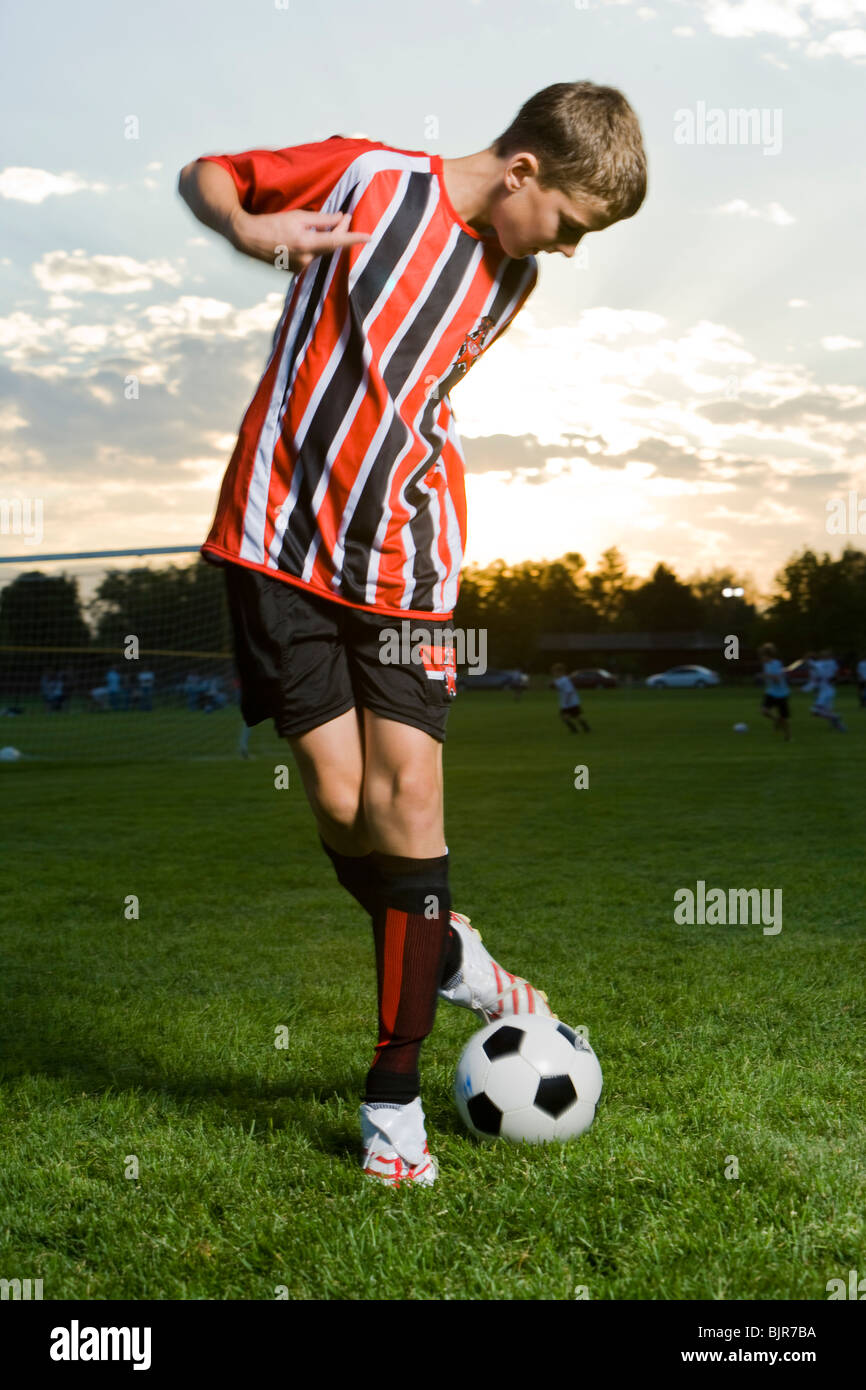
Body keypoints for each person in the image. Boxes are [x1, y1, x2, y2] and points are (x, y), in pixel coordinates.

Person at [179, 81, 646, 1186]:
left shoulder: (512, 272)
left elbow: (409, 400)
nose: (568, 253)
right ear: (523, 170)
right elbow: (214, 170)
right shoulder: (368, 176)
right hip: (272, 543)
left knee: (409, 805)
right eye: (572, 224)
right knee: (345, 812)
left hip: (403, 566)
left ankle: (391, 1097)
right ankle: (447, 951)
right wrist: (243, 225)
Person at [806, 648, 846, 732]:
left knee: (816, 711)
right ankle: (841, 727)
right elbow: (835, 675)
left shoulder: (821, 664)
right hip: (828, 689)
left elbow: (814, 667)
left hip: (825, 690)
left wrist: (809, 659)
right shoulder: (831, 663)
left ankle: (836, 717)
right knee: (828, 710)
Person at [758, 642, 791, 742]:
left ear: (767, 656)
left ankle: (788, 736)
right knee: (764, 711)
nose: (761, 658)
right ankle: (776, 720)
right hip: (771, 692)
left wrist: (766, 676)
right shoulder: (766, 664)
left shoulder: (776, 664)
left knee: (784, 718)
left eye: (762, 656)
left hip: (782, 693)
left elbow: (777, 679)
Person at [549, 663, 591, 733]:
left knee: (570, 716)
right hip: (569, 702)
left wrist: (567, 702)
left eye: (555, 672)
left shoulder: (564, 680)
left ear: (560, 672)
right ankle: (582, 728)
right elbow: (555, 685)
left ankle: (576, 729)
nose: (554, 674)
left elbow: (569, 691)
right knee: (574, 716)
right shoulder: (560, 680)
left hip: (570, 702)